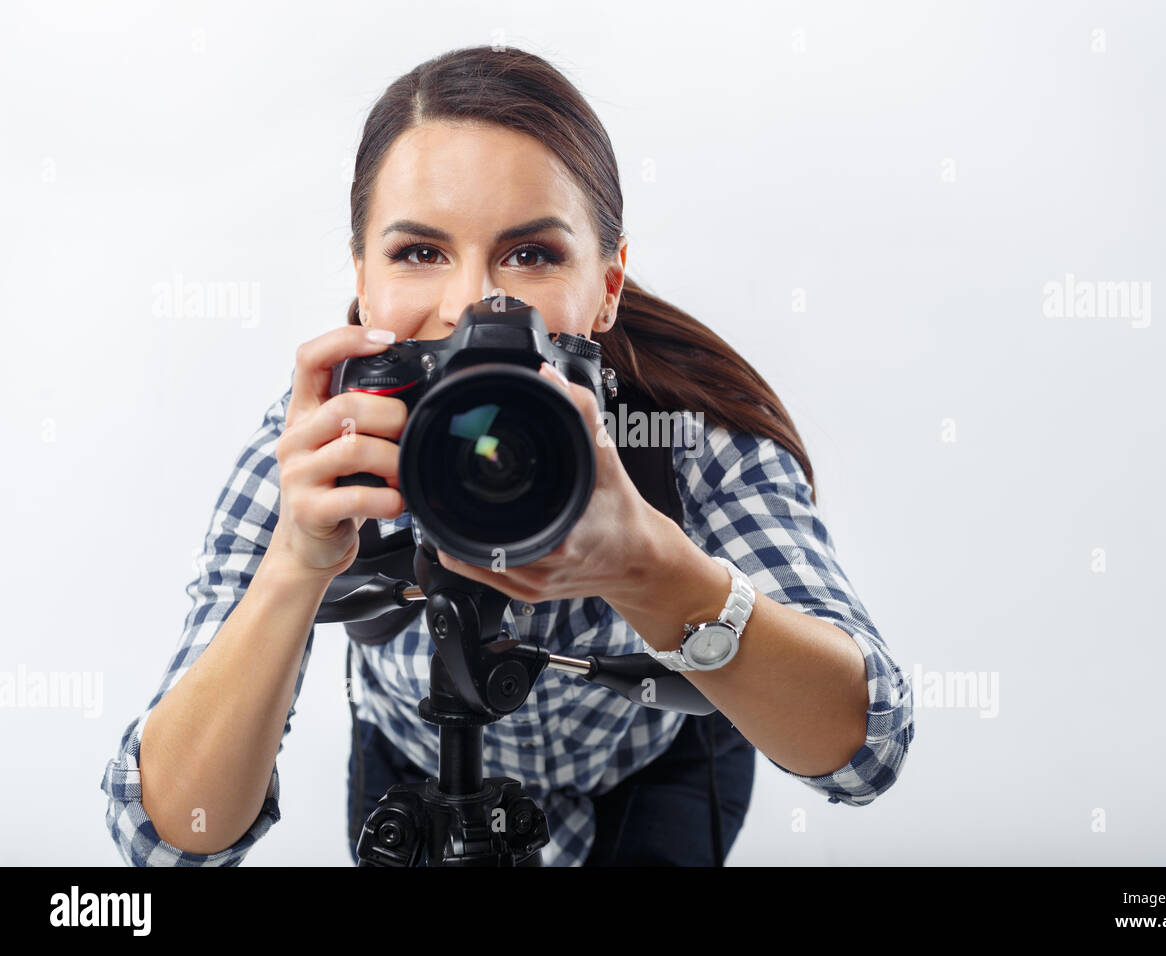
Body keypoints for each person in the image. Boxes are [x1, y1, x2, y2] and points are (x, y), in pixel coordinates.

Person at [100, 45, 915, 867]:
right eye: (419, 253)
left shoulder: (684, 433)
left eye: (532, 255)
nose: (469, 307)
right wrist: (296, 564)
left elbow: (864, 754)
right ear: (363, 280)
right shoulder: (326, 439)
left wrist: (653, 572)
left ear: (608, 285)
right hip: (415, 758)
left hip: (650, 765)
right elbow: (167, 841)